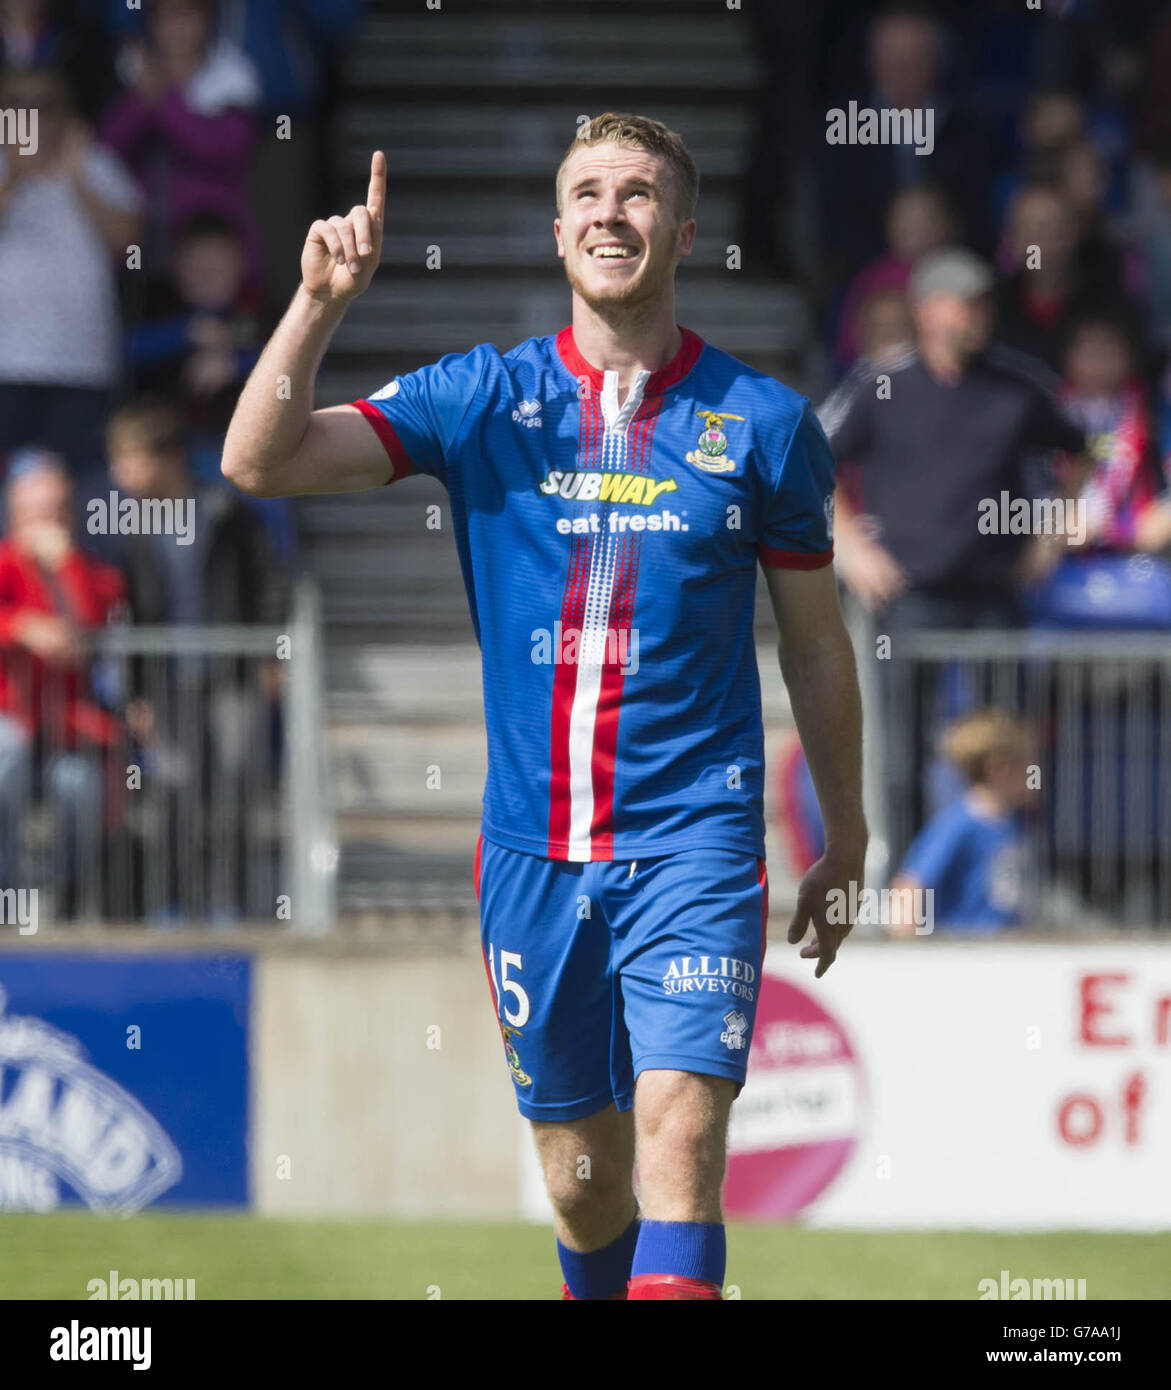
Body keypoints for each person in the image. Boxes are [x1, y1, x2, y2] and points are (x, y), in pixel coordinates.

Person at [222, 114, 867, 1301]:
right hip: (532, 852)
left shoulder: (764, 424)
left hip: (695, 838)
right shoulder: (485, 396)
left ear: (681, 231)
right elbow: (260, 462)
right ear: (558, 228)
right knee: (581, 1181)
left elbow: (817, 646)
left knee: (680, 1138)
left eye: (636, 194)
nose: (609, 212)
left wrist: (847, 830)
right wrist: (318, 303)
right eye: (587, 193)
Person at [0, 64, 142, 477]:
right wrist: (15, 176)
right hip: (5, 365)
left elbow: (130, 244)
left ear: (65, 113)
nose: (32, 117)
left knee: (78, 492)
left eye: (43, 106)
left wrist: (77, 177)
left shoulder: (95, 163)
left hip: (83, 365)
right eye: (17, 105)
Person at [0, 452, 126, 915]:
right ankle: (6, 894)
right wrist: (21, 627)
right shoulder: (5, 563)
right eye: (37, 512)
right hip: (11, 719)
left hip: (67, 727)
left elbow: (91, 626)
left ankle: (67, 897)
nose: (46, 521)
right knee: (4, 756)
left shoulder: (90, 570)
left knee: (79, 787)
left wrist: (65, 564)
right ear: (16, 514)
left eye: (56, 511)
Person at [888, 707, 1033, 934]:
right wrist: (909, 955)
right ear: (998, 768)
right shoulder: (957, 825)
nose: (1035, 774)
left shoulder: (1011, 824)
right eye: (1027, 766)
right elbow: (909, 888)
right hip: (964, 958)